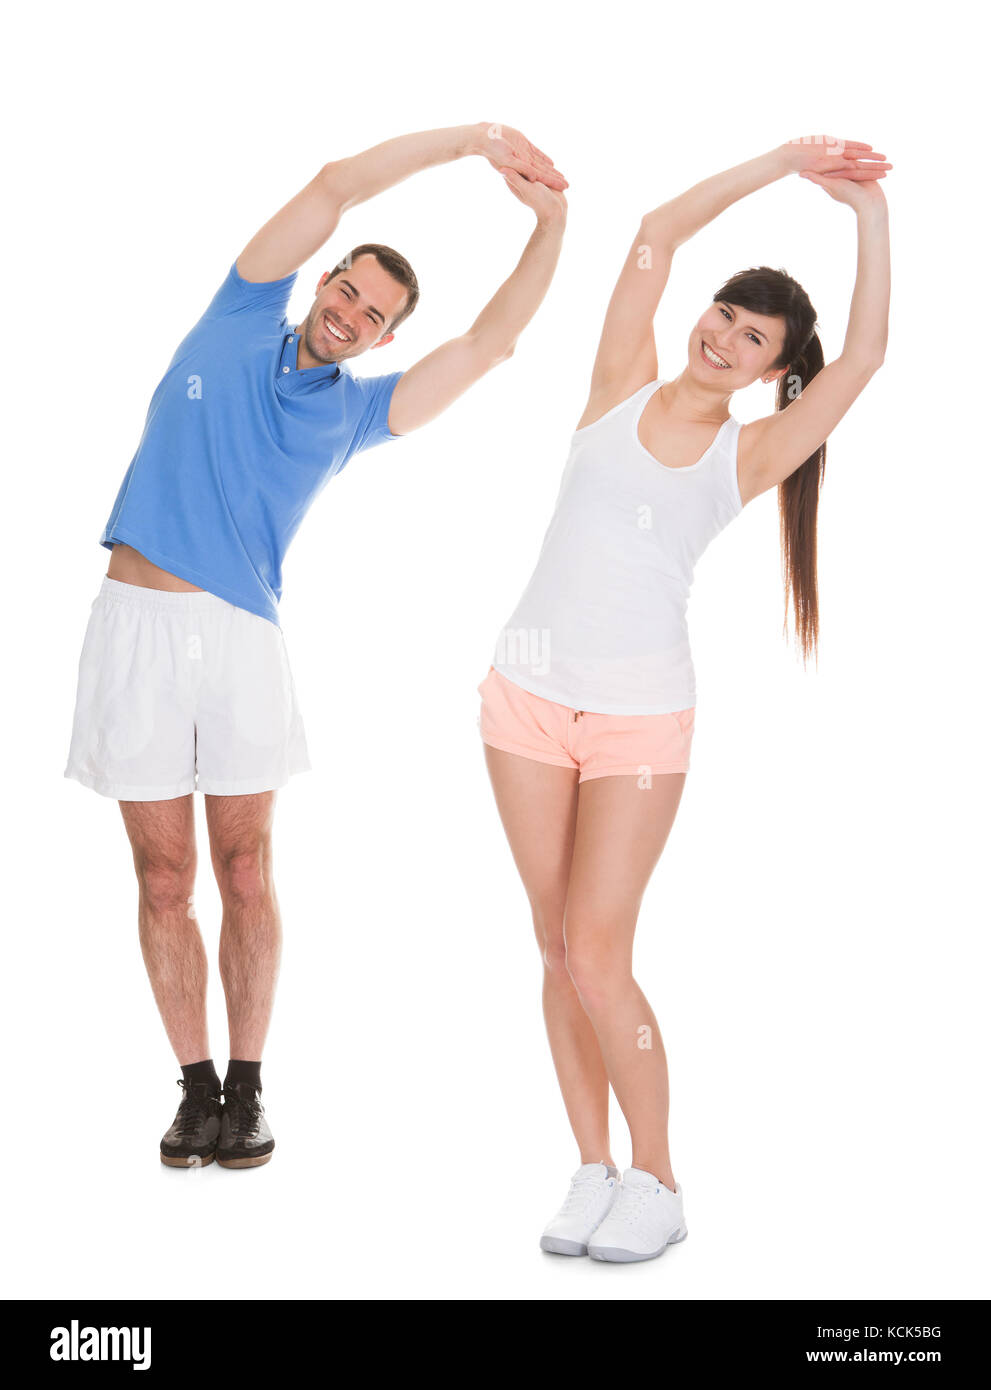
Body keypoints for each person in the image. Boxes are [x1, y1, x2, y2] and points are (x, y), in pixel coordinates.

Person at [63, 122, 568, 1169]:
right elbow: (335, 183)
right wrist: (473, 141)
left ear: (381, 340)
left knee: (245, 869)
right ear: (322, 278)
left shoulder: (358, 415)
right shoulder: (239, 313)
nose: (352, 315)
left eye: (374, 317)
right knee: (163, 879)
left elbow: (490, 346)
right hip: (136, 627)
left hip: (242, 638)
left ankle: (246, 1091)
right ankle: (191, 1088)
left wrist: (550, 225)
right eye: (348, 291)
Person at [477, 135, 891, 1259]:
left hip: (639, 718)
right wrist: (781, 162)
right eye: (722, 314)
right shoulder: (616, 385)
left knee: (598, 949)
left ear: (768, 371)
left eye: (751, 339)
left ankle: (657, 1182)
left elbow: (860, 359)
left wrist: (860, 213)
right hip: (521, 697)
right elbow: (654, 232)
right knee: (554, 947)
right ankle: (590, 1168)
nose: (721, 336)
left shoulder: (748, 455)